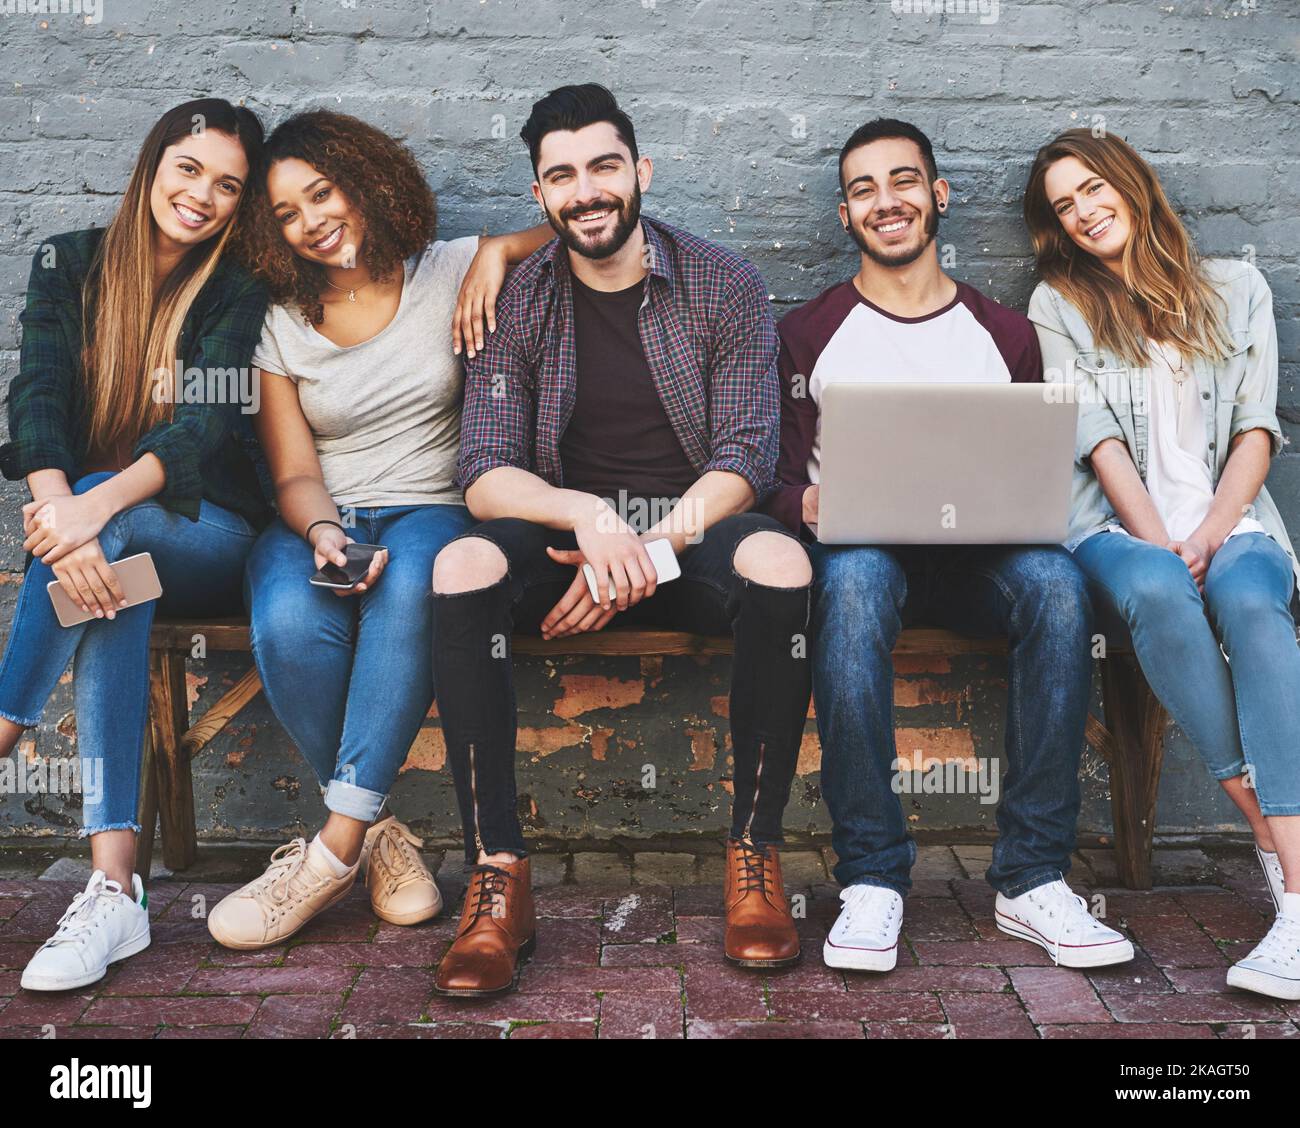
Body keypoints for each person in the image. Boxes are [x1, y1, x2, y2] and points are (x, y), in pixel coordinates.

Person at [428, 84, 814, 996]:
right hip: (567, 542)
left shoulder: (723, 282)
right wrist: (591, 518)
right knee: (461, 560)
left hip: (689, 532)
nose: (586, 190)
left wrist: (648, 549)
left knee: (783, 559)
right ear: (540, 196)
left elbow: (748, 458)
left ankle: (755, 860)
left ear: (639, 171)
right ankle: (498, 877)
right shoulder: (519, 299)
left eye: (603, 167)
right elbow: (484, 471)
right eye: (561, 176)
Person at [765, 119, 1135, 973]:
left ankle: (1032, 877)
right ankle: (873, 879)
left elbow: (1038, 466)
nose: (885, 201)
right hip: (862, 554)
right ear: (847, 213)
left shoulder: (1006, 334)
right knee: (852, 584)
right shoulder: (809, 331)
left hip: (981, 561)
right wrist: (808, 501)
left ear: (937, 195)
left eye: (903, 181)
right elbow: (770, 480)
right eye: (863, 188)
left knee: (1056, 584)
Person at [205, 111, 552, 949]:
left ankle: (328, 856)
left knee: (409, 596)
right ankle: (382, 834)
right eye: (286, 212)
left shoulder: (449, 268)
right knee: (287, 621)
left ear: (365, 180)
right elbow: (292, 472)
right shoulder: (281, 320)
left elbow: (570, 229)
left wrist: (499, 251)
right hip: (320, 516)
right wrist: (323, 531)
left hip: (437, 508)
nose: (312, 221)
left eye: (321, 194)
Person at [0, 99, 271, 991]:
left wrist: (90, 507)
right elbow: (35, 393)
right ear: (155, 161)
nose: (202, 196)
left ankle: (4, 729)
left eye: (227, 185)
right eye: (189, 169)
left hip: (211, 535)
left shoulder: (236, 287)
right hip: (106, 546)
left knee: (113, 544)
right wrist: (59, 514)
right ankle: (115, 889)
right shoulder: (69, 262)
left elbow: (203, 428)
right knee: (115, 581)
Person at [1025, 128, 1300, 1000]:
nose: (1084, 212)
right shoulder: (1057, 305)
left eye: (1094, 189)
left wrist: (1215, 533)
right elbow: (1097, 442)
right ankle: (1285, 851)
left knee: (1257, 608)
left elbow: (1257, 427)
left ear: (1133, 187)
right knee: (1155, 590)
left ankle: (1295, 901)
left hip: (1234, 518)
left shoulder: (1238, 289)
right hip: (1118, 526)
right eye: (1065, 206)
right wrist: (1164, 547)